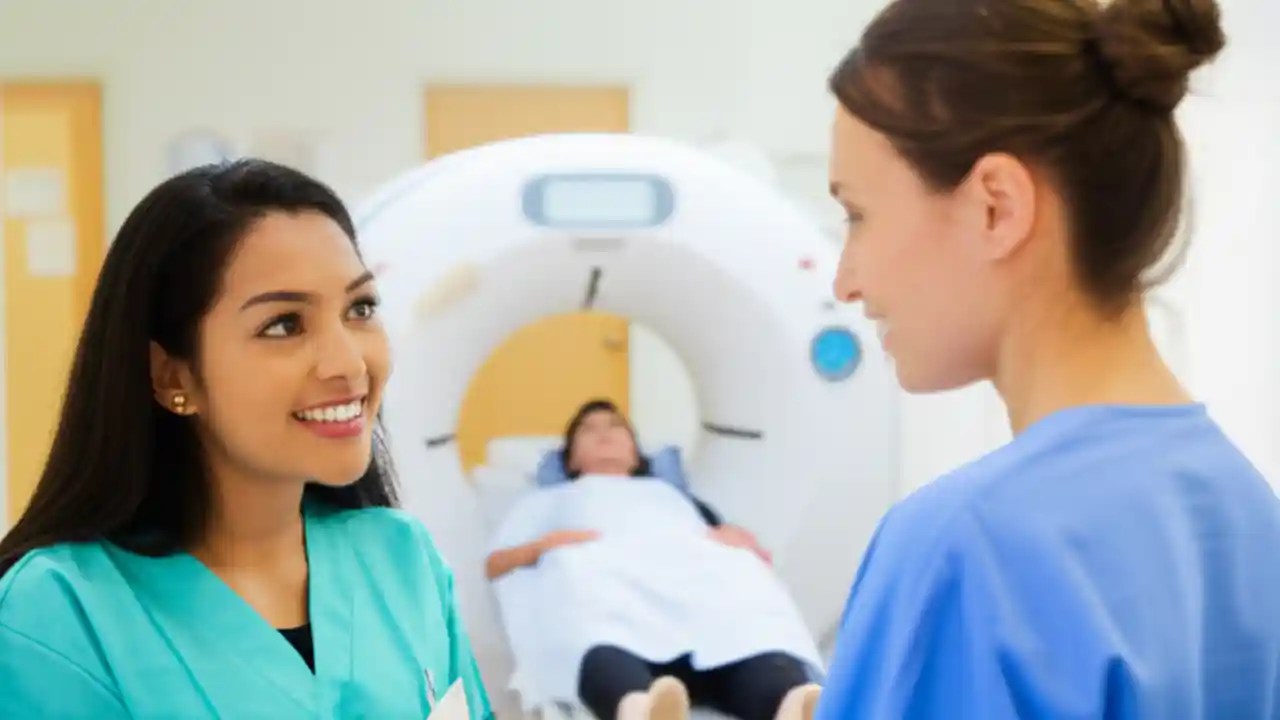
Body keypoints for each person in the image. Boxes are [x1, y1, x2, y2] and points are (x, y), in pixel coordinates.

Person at [816, 0, 1280, 718]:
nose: (845, 280)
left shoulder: (961, 548)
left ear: (995, 207)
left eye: (857, 215)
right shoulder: (1248, 512)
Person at [0, 159, 494, 718]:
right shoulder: (57, 613)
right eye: (284, 324)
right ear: (173, 376)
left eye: (360, 309)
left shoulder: (402, 557)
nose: (349, 363)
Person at [486, 399, 823, 720]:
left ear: (636, 455)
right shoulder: (550, 500)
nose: (604, 432)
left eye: (616, 426)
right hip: (609, 591)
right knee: (583, 593)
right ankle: (639, 708)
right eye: (588, 429)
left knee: (745, 608)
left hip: (697, 595)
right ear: (570, 460)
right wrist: (546, 545)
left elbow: (728, 542)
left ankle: (789, 702)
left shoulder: (673, 496)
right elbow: (497, 563)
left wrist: (736, 541)